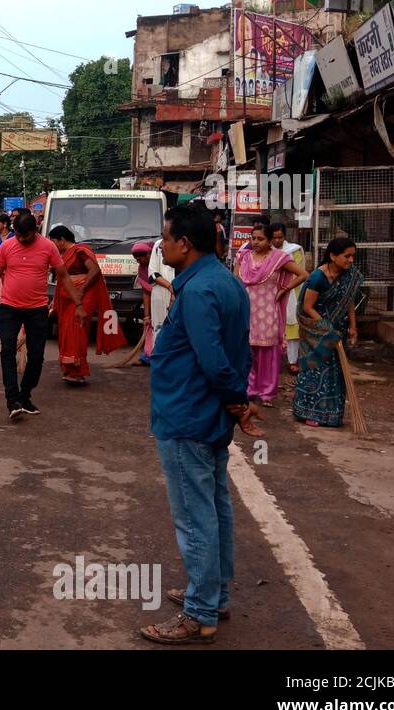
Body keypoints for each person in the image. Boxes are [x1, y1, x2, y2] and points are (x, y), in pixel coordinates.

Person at [139, 204, 258, 646]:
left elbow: (213, 361)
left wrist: (237, 401)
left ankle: (201, 613)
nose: (162, 246)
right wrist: (237, 402)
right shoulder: (226, 282)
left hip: (187, 414)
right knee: (215, 505)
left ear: (184, 244)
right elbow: (236, 355)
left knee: (195, 516)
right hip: (207, 415)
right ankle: (215, 594)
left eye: (166, 239)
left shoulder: (200, 290)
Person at [0, 213, 84, 420]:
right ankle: (12, 399)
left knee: (37, 356)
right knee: (7, 351)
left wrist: (78, 304)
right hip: (9, 307)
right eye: (17, 235)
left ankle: (25, 395)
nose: (20, 239)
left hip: (37, 309)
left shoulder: (48, 247)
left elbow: (63, 276)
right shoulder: (8, 246)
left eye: (24, 236)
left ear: (34, 231)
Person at [235, 225, 307, 407]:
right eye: (253, 238)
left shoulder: (279, 258)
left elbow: (303, 274)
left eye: (260, 239)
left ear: (269, 241)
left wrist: (285, 289)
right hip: (247, 309)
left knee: (268, 354)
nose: (256, 242)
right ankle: (249, 390)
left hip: (268, 310)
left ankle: (267, 393)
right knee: (247, 352)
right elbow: (235, 281)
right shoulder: (243, 257)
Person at [293, 238, 363, 428]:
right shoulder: (317, 277)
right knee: (315, 371)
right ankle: (309, 411)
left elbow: (348, 302)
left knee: (336, 374)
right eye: (346, 256)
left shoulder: (349, 277)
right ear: (333, 256)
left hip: (337, 329)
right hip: (316, 332)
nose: (350, 260)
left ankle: (332, 415)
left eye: (352, 256)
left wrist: (353, 327)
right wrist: (325, 327)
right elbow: (308, 307)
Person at [48, 225, 127, 384]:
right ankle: (70, 369)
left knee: (77, 331)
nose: (52, 245)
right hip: (68, 296)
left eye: (53, 241)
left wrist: (81, 291)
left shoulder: (80, 251)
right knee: (66, 332)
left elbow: (95, 271)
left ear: (62, 240)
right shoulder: (63, 254)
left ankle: (78, 372)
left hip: (82, 297)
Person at [268, 223, 305, 375]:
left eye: (280, 237)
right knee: (271, 326)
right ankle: (273, 361)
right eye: (274, 238)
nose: (277, 241)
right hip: (270, 292)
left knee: (292, 326)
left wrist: (285, 287)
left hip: (292, 292)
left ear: (285, 236)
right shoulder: (266, 250)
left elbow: (298, 271)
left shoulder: (294, 250)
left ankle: (292, 360)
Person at [148, 236, 177, 350]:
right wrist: (170, 287)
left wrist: (174, 292)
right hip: (160, 293)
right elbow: (153, 274)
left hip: (179, 293)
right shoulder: (158, 245)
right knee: (159, 329)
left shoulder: (186, 245)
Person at [132, 241, 156, 363]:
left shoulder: (160, 265)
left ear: (149, 254)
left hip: (167, 301)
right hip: (154, 303)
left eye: (140, 258)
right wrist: (147, 316)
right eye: (137, 260)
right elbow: (146, 292)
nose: (139, 262)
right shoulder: (142, 269)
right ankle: (149, 355)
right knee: (150, 327)